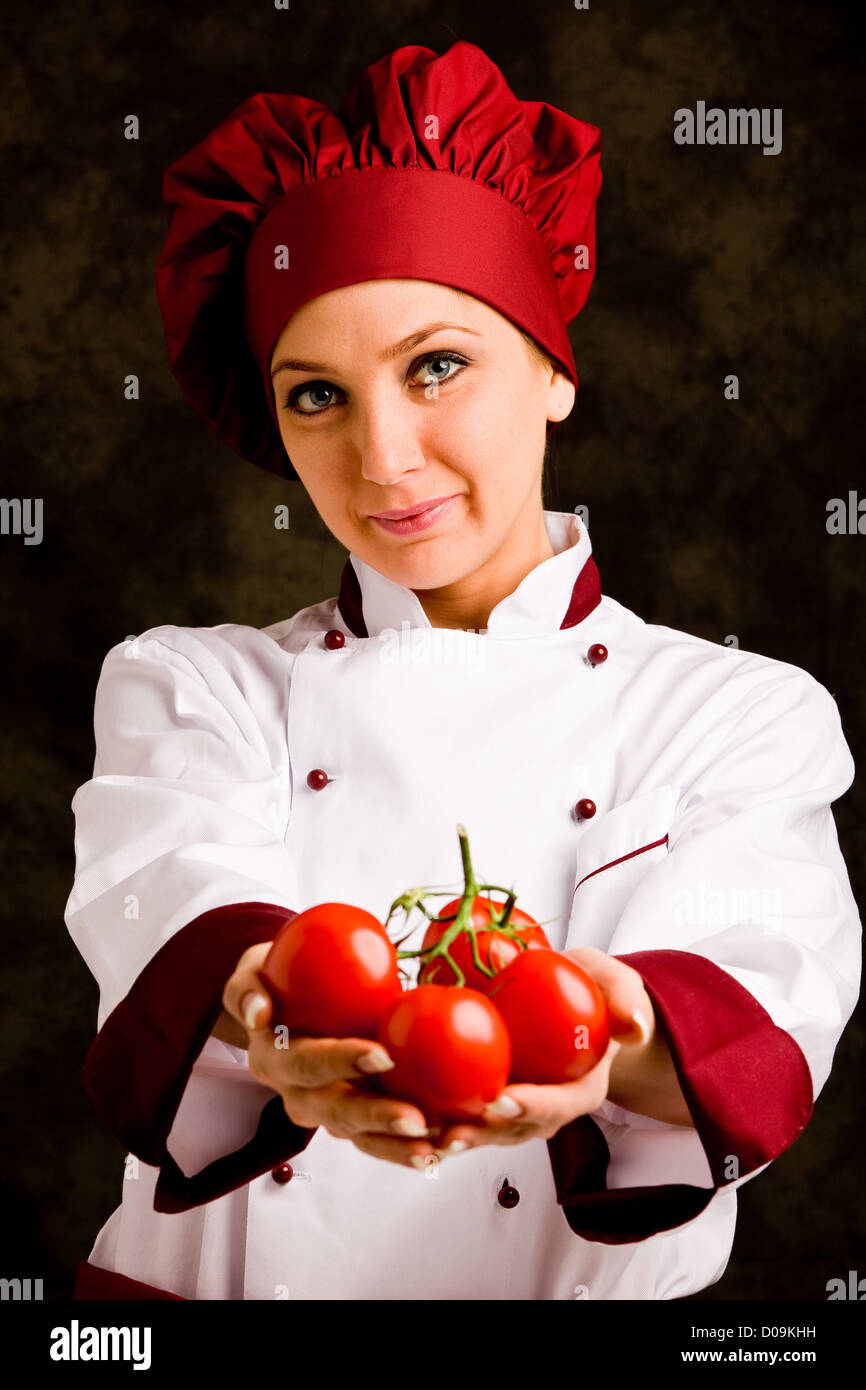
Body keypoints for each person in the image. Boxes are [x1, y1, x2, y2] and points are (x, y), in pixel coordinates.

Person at [66, 40, 860, 1301]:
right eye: (315, 394)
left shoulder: (734, 713)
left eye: (435, 366)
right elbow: (171, 899)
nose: (383, 459)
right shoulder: (193, 686)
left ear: (551, 371)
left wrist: (609, 1039)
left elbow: (764, 1010)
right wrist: (282, 1020)